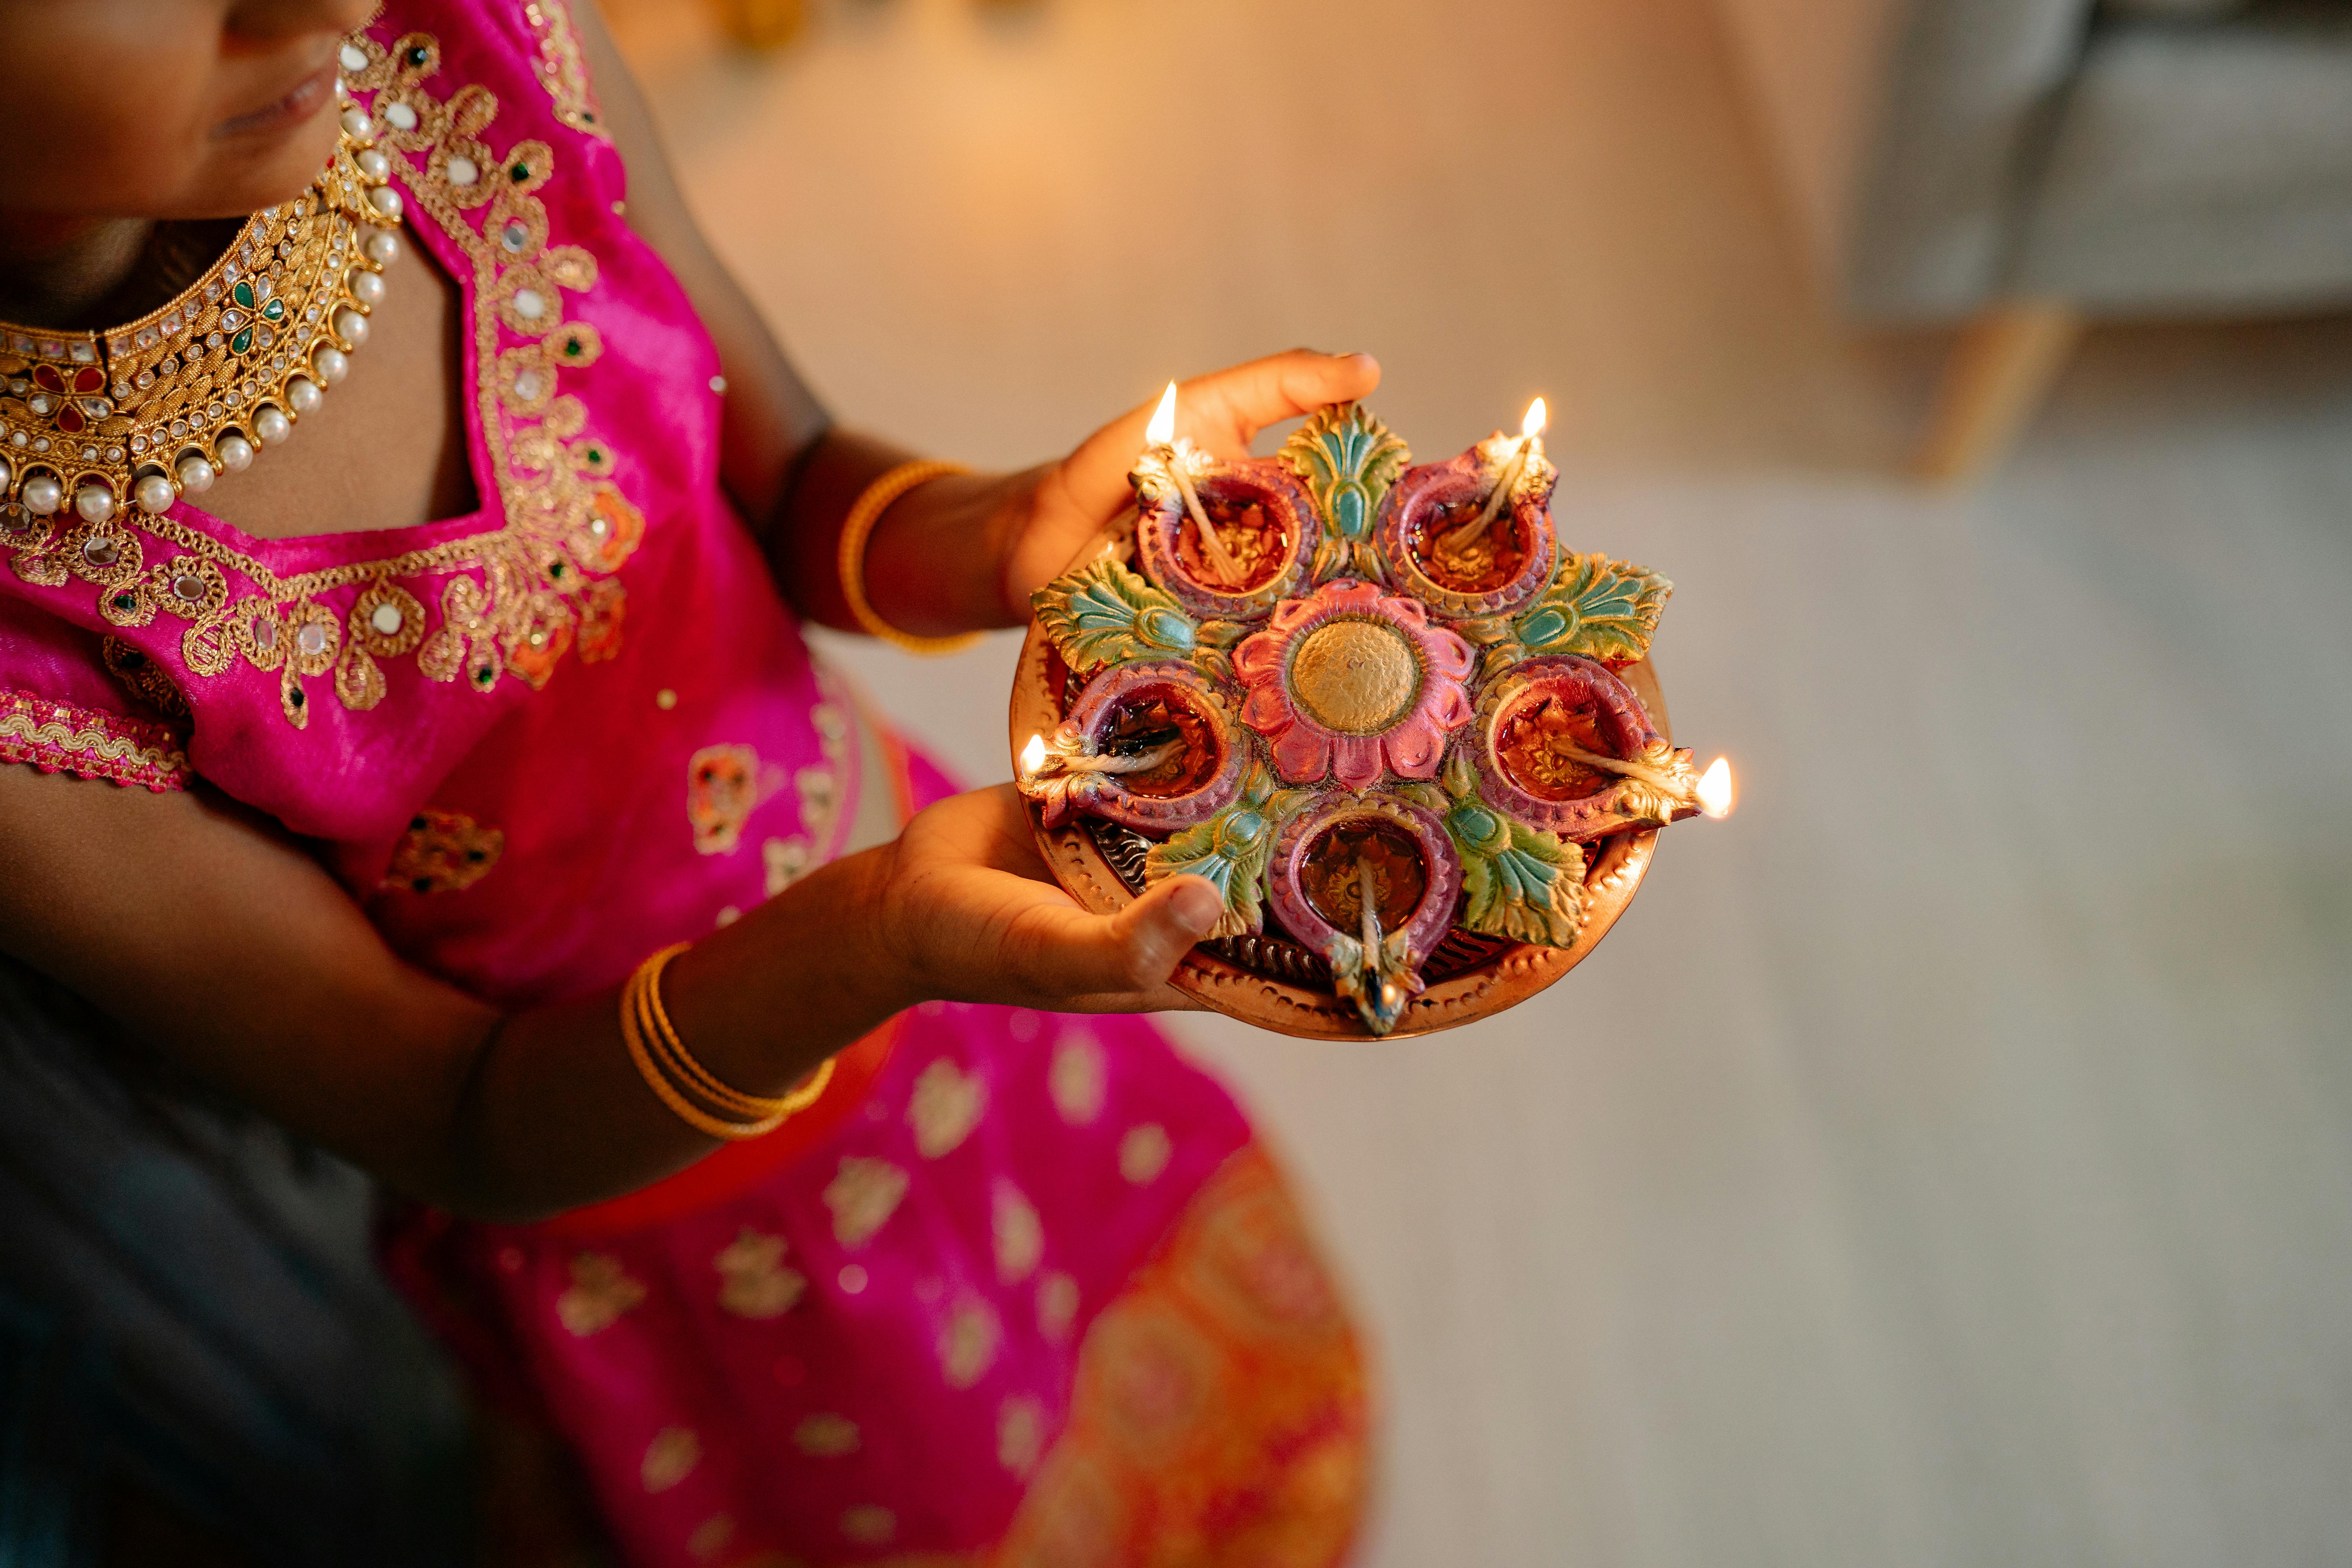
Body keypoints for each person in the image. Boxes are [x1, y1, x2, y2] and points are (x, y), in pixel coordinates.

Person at [0, 0, 1380, 1562]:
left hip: (920, 925)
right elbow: (453, 1112)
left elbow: (788, 481)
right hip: (685, 1222)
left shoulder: (472, 40)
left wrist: (1002, 534)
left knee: (1076, 1268)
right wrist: (868, 940)